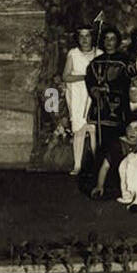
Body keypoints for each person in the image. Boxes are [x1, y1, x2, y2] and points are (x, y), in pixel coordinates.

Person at [85, 28, 132, 152]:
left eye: (112, 39)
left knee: (118, 142)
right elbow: (89, 80)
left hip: (119, 107)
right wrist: (94, 90)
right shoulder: (96, 62)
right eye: (106, 38)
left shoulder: (125, 61)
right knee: (101, 142)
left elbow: (129, 82)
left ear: (117, 41)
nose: (109, 42)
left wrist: (110, 87)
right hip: (101, 107)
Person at [62, 27, 99, 175]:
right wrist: (85, 77)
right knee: (79, 129)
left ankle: (97, 164)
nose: (84, 39)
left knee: (94, 129)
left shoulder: (99, 53)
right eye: (81, 36)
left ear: (92, 37)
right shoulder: (73, 53)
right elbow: (65, 76)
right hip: (77, 94)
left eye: (87, 36)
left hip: (94, 94)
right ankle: (77, 165)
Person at [90, 117, 137, 200]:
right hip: (117, 179)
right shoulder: (117, 143)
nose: (132, 132)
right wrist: (99, 186)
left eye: (136, 129)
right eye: (129, 128)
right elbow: (105, 166)